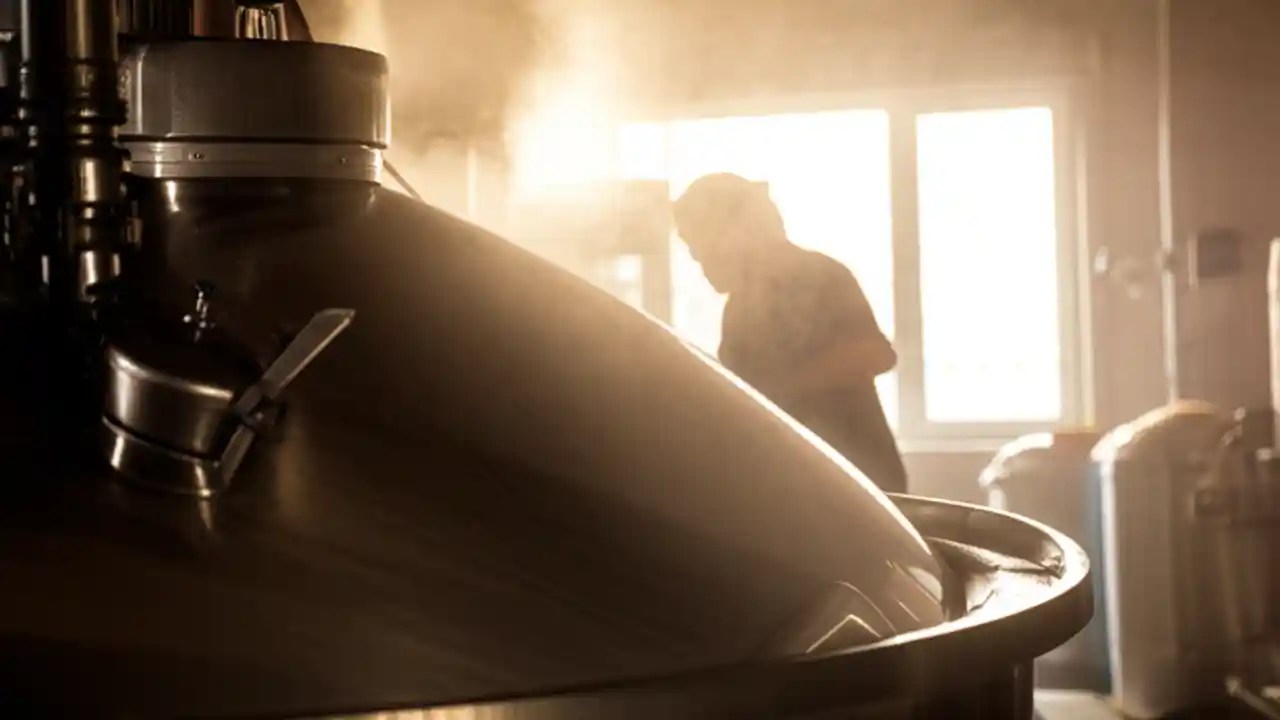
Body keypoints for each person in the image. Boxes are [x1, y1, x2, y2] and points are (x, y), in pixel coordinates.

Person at [672, 173, 907, 493]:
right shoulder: (740, 307)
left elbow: (875, 354)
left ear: (733, 234)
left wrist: (782, 389)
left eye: (698, 242)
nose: (696, 257)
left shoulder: (819, 275)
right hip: (804, 480)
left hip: (854, 481)